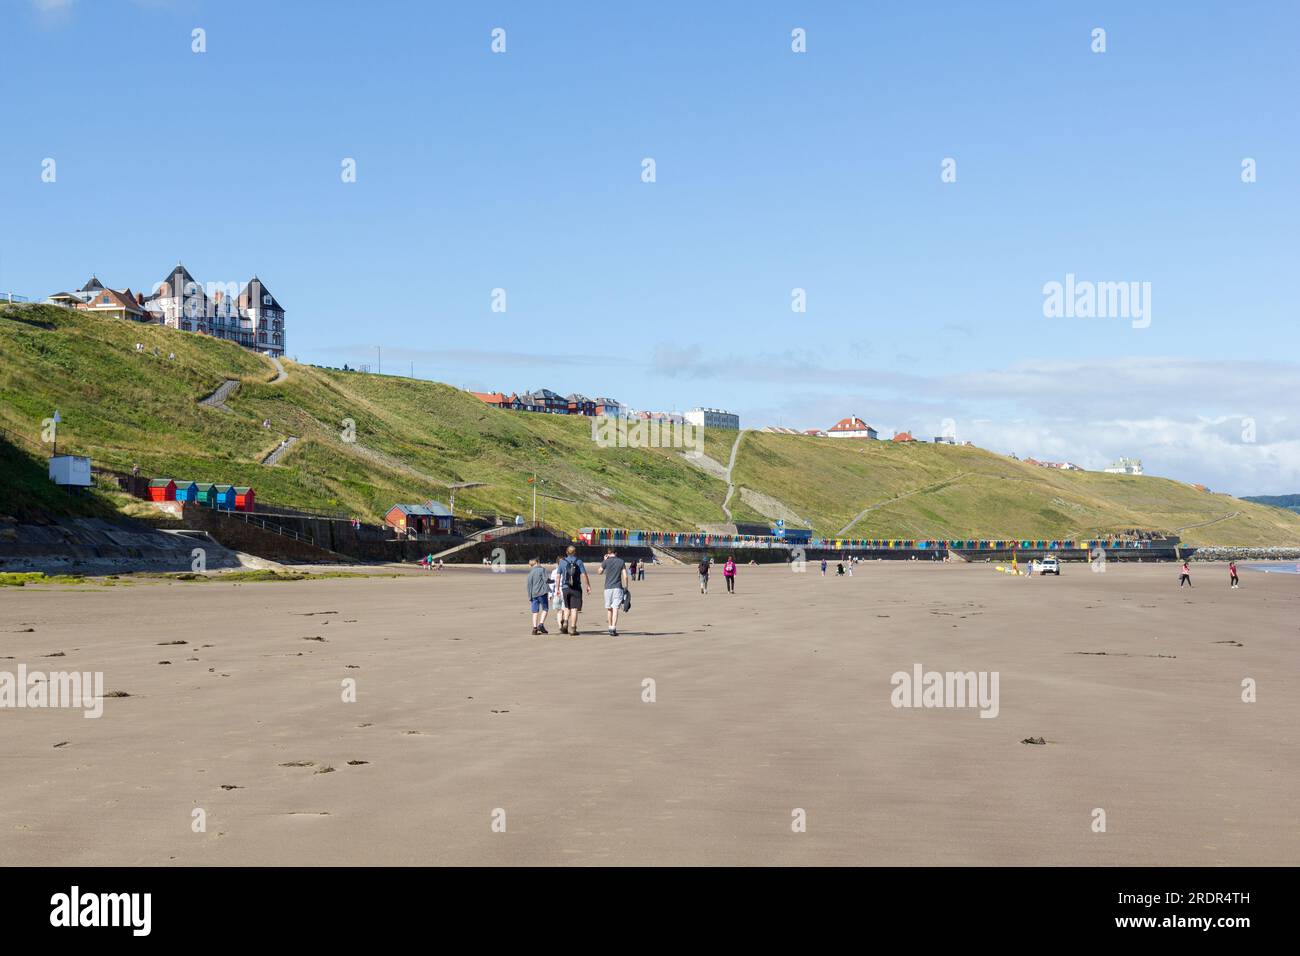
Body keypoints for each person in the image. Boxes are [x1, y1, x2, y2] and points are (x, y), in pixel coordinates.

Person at [557, 546, 591, 635]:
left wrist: (557, 588)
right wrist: (588, 585)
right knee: (574, 608)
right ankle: (573, 628)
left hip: (565, 587)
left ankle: (565, 622)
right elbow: (584, 574)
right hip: (576, 587)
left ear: (566, 552)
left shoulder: (562, 562)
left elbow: (558, 576)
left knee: (567, 607)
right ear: (575, 552)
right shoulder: (579, 561)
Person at [599, 548, 629, 637]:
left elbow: (599, 572)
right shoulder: (621, 561)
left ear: (608, 553)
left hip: (607, 588)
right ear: (616, 553)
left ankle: (609, 627)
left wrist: (604, 560)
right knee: (615, 608)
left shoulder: (606, 562)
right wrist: (626, 587)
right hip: (617, 588)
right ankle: (613, 628)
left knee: (609, 608)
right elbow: (625, 576)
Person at [526, 558, 550, 635]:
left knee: (535, 611)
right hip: (542, 593)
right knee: (545, 609)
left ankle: (534, 628)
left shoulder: (530, 573)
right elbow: (546, 580)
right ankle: (541, 624)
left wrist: (530, 596)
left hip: (533, 594)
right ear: (537, 562)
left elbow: (529, 585)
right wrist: (553, 581)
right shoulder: (542, 569)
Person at [549, 556, 565, 630]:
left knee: (559, 611)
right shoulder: (566, 570)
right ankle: (563, 622)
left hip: (557, 593)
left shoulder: (554, 572)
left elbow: (551, 584)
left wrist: (550, 594)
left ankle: (560, 625)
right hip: (565, 591)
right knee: (565, 610)